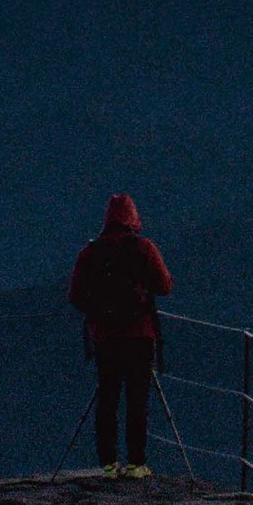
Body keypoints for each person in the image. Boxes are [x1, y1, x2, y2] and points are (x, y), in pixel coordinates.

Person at [68, 193, 172, 477]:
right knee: (138, 399)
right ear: (134, 219)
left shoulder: (90, 253)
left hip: (106, 337)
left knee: (108, 398)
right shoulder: (144, 249)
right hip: (141, 335)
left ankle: (108, 464)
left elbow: (75, 295)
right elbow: (164, 286)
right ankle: (136, 463)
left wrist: (99, 311)